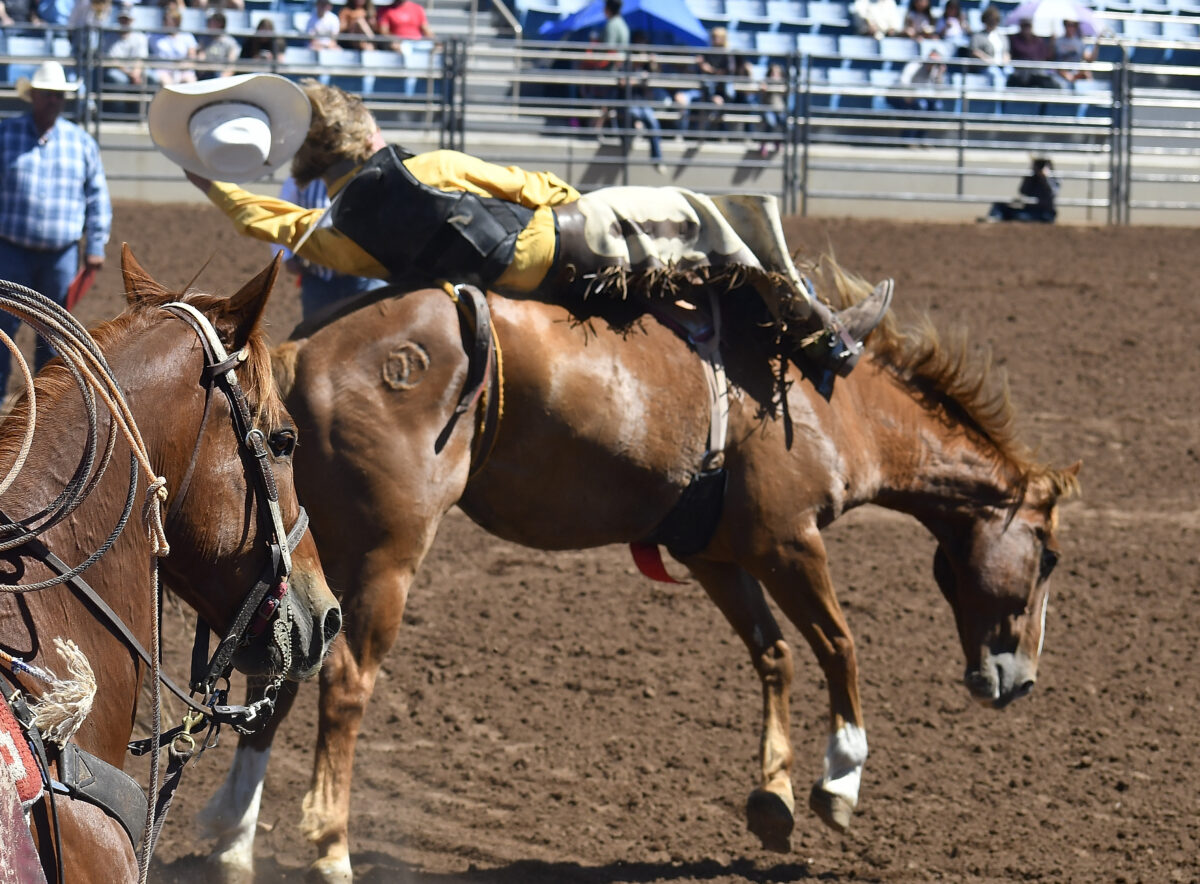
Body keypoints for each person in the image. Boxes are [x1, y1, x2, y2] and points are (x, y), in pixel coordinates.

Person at [150, 76, 891, 381]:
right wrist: (583, 204)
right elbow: (527, 187)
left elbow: (264, 221)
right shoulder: (428, 165)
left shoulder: (341, 229)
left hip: (516, 287)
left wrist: (207, 180)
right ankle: (827, 334)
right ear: (366, 134)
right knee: (728, 219)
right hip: (572, 238)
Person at [0, 61, 111, 395]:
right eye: (47, 94)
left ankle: (44, 406)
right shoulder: (5, 135)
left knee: (53, 335)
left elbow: (97, 196)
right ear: (32, 96)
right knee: (2, 329)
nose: (54, 101)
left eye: (59, 96)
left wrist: (96, 244)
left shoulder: (81, 143)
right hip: (10, 249)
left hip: (61, 254)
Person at [274, 175, 387, 319]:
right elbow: (282, 217)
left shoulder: (371, 173)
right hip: (318, 278)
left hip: (365, 279)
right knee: (317, 332)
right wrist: (287, 257)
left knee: (372, 330)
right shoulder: (300, 180)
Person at [102, 1, 149, 113]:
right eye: (122, 19)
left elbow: (141, 59)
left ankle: (142, 115)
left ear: (132, 20)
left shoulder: (140, 37)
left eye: (127, 19)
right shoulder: (110, 37)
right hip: (120, 71)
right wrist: (130, 73)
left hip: (135, 71)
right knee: (117, 78)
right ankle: (119, 114)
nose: (124, 22)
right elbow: (112, 61)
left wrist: (136, 73)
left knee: (151, 78)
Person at [986, 157, 1058, 223]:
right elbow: (1022, 191)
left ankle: (1000, 219)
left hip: (1043, 214)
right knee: (999, 206)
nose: (1038, 167)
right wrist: (1032, 175)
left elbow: (1052, 192)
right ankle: (993, 220)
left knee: (1021, 217)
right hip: (1028, 211)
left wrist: (1044, 177)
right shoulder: (1031, 177)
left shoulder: (1052, 179)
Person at [150, 2, 199, 85]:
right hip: (163, 70)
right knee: (167, 83)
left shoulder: (187, 36)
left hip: (183, 70)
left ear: (177, 22)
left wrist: (182, 67)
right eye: (166, 20)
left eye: (171, 20)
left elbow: (192, 57)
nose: (167, 23)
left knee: (190, 81)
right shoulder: (154, 36)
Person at [1007, 17, 1060, 90]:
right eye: (1024, 26)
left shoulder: (1038, 40)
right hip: (1020, 72)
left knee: (1053, 85)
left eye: (1028, 26)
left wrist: (1052, 43)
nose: (1026, 29)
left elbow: (1046, 57)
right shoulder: (1015, 39)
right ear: (1021, 27)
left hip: (1037, 72)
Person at [968, 5, 1010, 89]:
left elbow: (1006, 53)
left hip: (1001, 66)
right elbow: (974, 51)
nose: (992, 23)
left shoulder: (1002, 37)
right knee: (994, 72)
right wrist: (990, 61)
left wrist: (1004, 62)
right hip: (985, 67)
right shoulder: (978, 36)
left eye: (994, 20)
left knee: (1009, 71)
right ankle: (998, 98)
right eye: (990, 20)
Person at [1052, 19, 1096, 89]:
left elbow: (1090, 59)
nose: (1071, 28)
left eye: (1074, 25)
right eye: (1069, 25)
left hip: (1076, 73)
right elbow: (1052, 58)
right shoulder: (1058, 41)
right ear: (1065, 25)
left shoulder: (1080, 42)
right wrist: (1052, 43)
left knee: (1087, 75)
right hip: (1060, 73)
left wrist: (1097, 45)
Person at [198, 11, 243, 79]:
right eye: (210, 22)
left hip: (221, 75)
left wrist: (222, 79)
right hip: (206, 73)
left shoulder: (230, 42)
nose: (210, 24)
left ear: (221, 24)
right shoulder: (204, 40)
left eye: (214, 22)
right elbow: (201, 59)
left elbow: (232, 64)